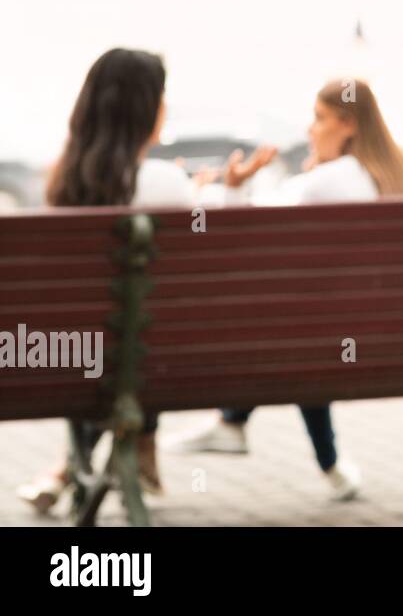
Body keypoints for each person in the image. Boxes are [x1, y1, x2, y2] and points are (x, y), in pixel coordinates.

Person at [16, 48, 274, 515]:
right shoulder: (163, 184)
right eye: (162, 96)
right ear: (145, 109)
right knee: (137, 340)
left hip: (67, 361)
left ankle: (70, 467)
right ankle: (131, 454)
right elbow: (219, 255)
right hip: (164, 365)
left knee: (114, 344)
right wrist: (230, 190)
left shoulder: (61, 186)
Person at [168, 78, 403, 502]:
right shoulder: (398, 176)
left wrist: (233, 188)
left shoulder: (327, 182)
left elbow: (244, 242)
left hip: (336, 342)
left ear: (348, 125)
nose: (310, 130)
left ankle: (233, 422)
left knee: (296, 332)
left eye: (319, 118)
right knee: (306, 328)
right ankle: (254, 433)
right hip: (399, 342)